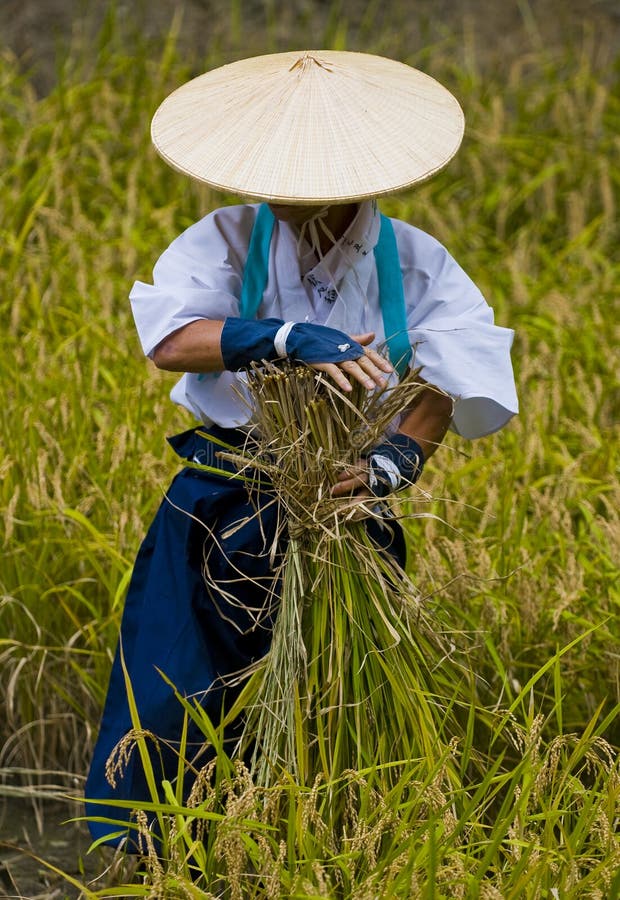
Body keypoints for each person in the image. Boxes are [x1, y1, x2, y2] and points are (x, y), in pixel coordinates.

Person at [85, 50, 518, 847]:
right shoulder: (222, 238)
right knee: (176, 693)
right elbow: (172, 342)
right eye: (279, 182)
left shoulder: (415, 261)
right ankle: (158, 854)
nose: (289, 200)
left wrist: (399, 458)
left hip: (347, 511)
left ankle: (320, 845)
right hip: (222, 505)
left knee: (336, 699)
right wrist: (278, 337)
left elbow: (459, 372)